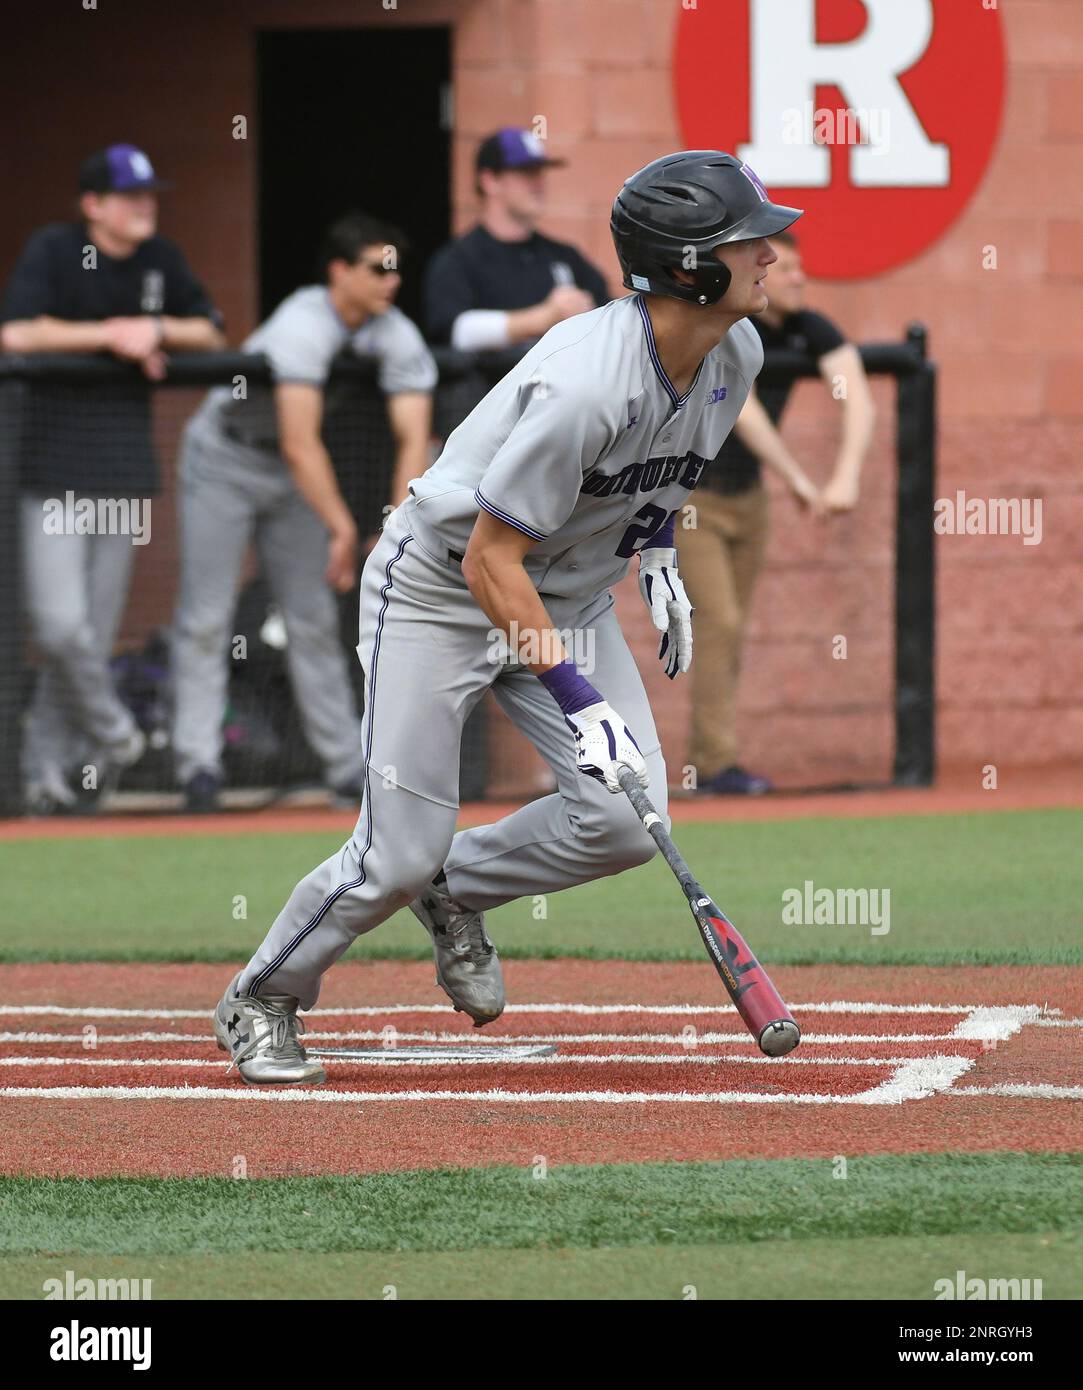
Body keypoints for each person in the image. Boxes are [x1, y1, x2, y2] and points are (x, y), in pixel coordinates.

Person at [212, 150, 803, 1086]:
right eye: (748, 241)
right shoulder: (585, 384)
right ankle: (265, 994)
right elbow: (490, 559)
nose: (773, 253)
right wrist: (577, 694)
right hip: (441, 591)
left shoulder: (736, 352)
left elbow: (657, 477)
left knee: (619, 821)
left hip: (561, 594)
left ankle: (456, 890)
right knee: (394, 855)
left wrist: (654, 555)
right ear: (688, 268)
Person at [171, 212, 436, 812]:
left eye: (395, 268)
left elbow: (412, 435)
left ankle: (346, 768)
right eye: (377, 268)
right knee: (207, 616)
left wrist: (395, 522)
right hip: (226, 459)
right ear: (339, 271)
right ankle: (198, 767)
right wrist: (344, 526)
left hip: (291, 480)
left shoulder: (395, 332)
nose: (390, 281)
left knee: (311, 615)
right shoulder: (301, 322)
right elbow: (298, 439)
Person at [0, 144, 224, 814]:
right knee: (61, 627)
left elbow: (211, 332)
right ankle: (117, 734)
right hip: (53, 466)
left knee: (92, 639)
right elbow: (16, 333)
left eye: (149, 195)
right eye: (129, 197)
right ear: (93, 204)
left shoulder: (161, 259)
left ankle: (49, 771)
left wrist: (151, 326)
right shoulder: (56, 248)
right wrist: (110, 335)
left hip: (122, 468)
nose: (143, 207)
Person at [679, 229, 877, 795]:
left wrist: (845, 477)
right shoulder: (730, 325)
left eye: (797, 270)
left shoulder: (807, 327)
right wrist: (798, 478)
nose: (795, 279)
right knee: (720, 622)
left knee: (731, 630)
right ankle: (713, 765)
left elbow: (854, 394)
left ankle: (711, 756)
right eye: (783, 270)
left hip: (750, 501)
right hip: (696, 500)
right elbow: (742, 410)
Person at [423, 127, 609, 350]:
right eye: (526, 173)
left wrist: (588, 315)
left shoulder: (564, 256)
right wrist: (542, 318)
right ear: (490, 180)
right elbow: (454, 330)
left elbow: (610, 313)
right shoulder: (458, 260)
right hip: (491, 384)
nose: (539, 183)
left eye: (541, 172)